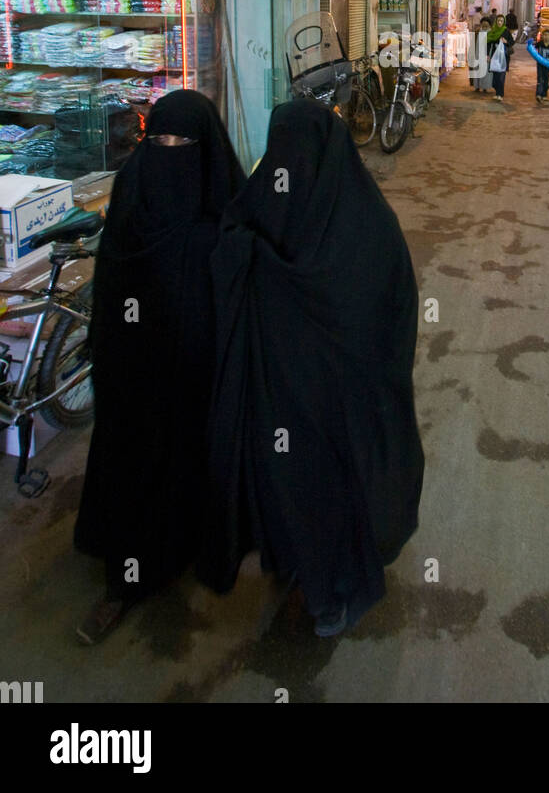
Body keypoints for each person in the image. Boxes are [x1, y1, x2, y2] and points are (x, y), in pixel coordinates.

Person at [197, 99, 425, 638]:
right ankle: (298, 567)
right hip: (282, 402)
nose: (286, 166)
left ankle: (336, 593)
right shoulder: (279, 204)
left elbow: (389, 316)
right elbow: (232, 243)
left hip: (340, 410)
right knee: (287, 486)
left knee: (332, 496)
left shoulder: (369, 229)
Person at [74, 90, 245, 644]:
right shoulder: (133, 190)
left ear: (206, 149)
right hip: (134, 370)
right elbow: (113, 282)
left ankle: (190, 545)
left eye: (182, 143)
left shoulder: (223, 209)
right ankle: (125, 581)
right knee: (133, 462)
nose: (168, 150)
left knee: (190, 459)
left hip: (195, 374)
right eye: (159, 140)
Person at [487, 14, 514, 102]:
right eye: (498, 20)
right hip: (495, 56)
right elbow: (489, 43)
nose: (499, 22)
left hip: (503, 57)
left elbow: (512, 42)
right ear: (496, 21)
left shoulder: (506, 31)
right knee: (495, 77)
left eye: (501, 21)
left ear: (503, 22)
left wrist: (506, 42)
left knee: (501, 76)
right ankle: (497, 92)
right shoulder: (493, 31)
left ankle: (500, 94)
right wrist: (487, 55)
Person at [532, 27, 549, 104]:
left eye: (548, 35)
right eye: (545, 35)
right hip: (540, 64)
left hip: (548, 65)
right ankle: (538, 94)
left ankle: (544, 95)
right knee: (540, 79)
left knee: (546, 79)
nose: (546, 37)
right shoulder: (539, 44)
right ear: (542, 36)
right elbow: (534, 50)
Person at [472, 17, 494, 92]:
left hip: (487, 54)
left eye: (486, 23)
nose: (484, 24)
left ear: (489, 24)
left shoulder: (491, 32)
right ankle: (477, 86)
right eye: (483, 23)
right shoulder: (478, 31)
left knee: (485, 71)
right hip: (478, 53)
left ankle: (485, 87)